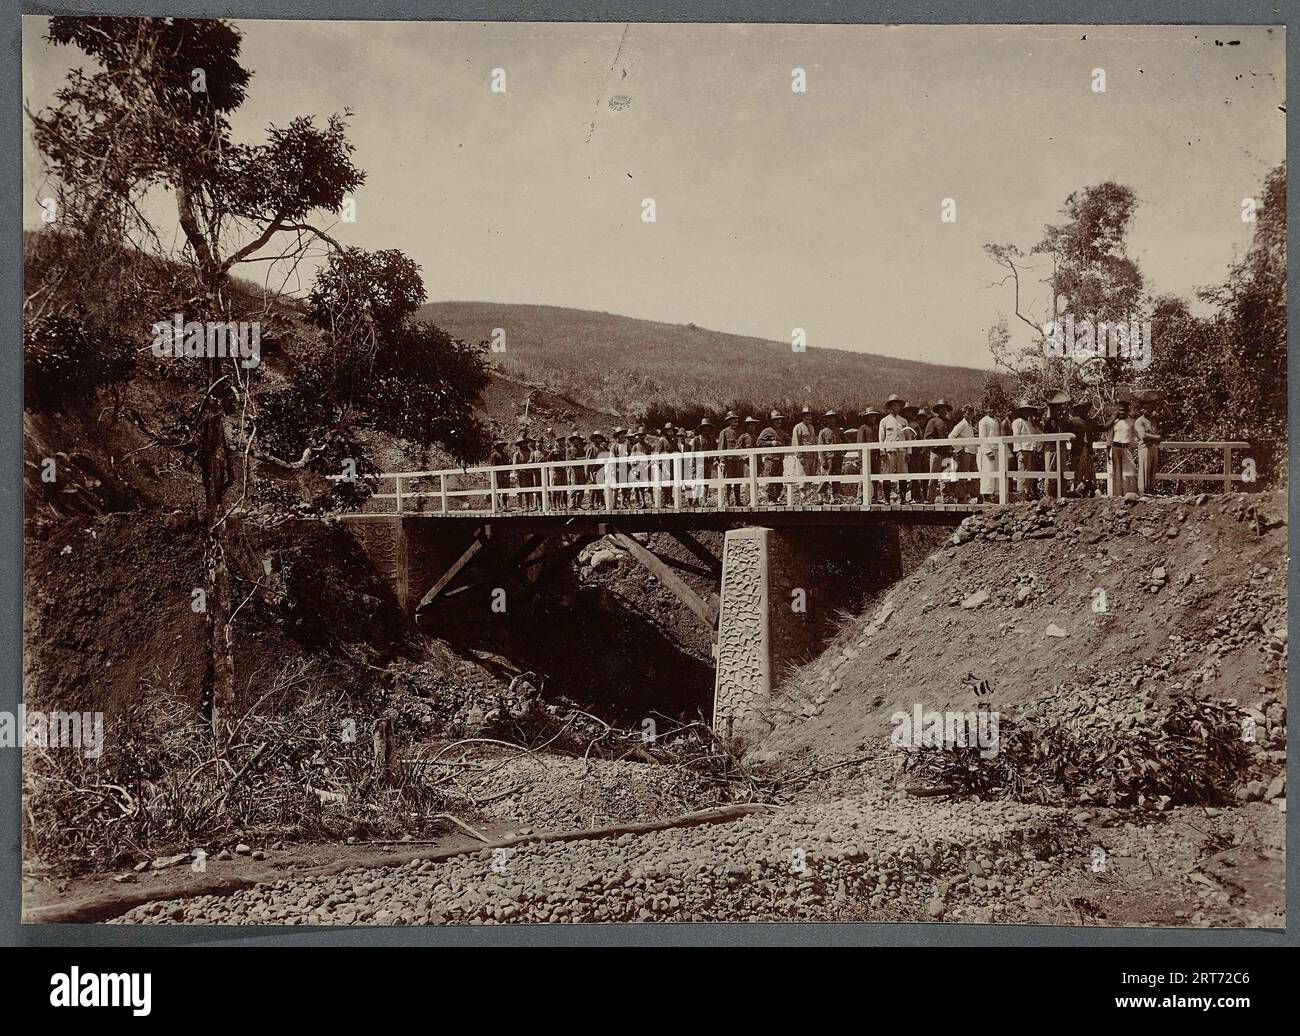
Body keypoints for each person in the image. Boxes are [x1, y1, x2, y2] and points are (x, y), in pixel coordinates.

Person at [877, 395, 910, 504]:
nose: (895, 407)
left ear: (900, 408)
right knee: (887, 475)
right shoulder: (884, 421)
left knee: (903, 474)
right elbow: (881, 438)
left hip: (901, 451)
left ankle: (903, 499)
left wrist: (908, 452)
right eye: (893, 405)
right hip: (889, 452)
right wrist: (882, 451)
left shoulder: (904, 421)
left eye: (897, 405)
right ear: (889, 407)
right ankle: (887, 499)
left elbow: (908, 437)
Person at [1105, 397, 1139, 496]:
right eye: (1120, 410)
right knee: (1117, 473)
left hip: (1127, 448)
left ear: (1128, 411)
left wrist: (1134, 444)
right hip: (1116, 448)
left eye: (1124, 410)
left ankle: (1130, 493)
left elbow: (1137, 436)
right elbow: (1109, 439)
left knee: (1130, 471)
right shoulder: (1114, 423)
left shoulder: (1132, 422)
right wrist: (1108, 453)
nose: (1122, 413)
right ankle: (1118, 495)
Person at [1042, 391, 1072, 498]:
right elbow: (1046, 423)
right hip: (1051, 448)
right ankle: (1048, 494)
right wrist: (1049, 408)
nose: (1058, 411)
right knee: (1049, 472)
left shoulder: (1062, 421)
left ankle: (1062, 493)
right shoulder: (1048, 421)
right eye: (1056, 409)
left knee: (1062, 471)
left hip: (1061, 448)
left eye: (1059, 408)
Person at [1134, 393, 1164, 495]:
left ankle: (1151, 491)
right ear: (1141, 410)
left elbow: (1167, 416)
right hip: (1144, 448)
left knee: (1152, 470)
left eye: (1149, 408)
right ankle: (1142, 492)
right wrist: (1157, 437)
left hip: (1153, 447)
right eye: (1145, 408)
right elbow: (1143, 436)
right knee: (1144, 470)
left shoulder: (1153, 420)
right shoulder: (1139, 421)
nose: (1148, 410)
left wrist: (1162, 404)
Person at [924, 400, 954, 503]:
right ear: (937, 410)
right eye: (941, 408)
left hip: (947, 452)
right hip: (936, 453)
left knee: (947, 476)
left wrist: (952, 448)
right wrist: (936, 444)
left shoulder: (949, 422)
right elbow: (927, 437)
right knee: (934, 475)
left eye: (945, 408)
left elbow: (952, 436)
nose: (943, 410)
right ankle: (930, 497)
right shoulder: (933, 421)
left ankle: (945, 497)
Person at [1011, 400, 1041, 499]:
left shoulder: (1030, 423)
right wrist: (1019, 451)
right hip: (1023, 449)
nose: (1027, 413)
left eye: (1028, 410)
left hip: (1031, 450)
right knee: (1023, 472)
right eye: (1025, 410)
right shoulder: (1017, 422)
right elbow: (1016, 437)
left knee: (1030, 472)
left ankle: (1027, 492)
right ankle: (1021, 494)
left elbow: (1035, 435)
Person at [758, 410, 790, 503]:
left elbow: (788, 441)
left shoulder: (782, 432)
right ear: (771, 421)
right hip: (770, 459)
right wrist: (771, 443)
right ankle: (770, 499)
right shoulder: (767, 431)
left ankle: (776, 498)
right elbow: (759, 442)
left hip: (780, 459)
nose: (778, 422)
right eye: (776, 420)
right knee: (770, 479)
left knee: (779, 479)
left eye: (780, 420)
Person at [1067, 401, 1098, 497]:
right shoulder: (1072, 421)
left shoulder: (1090, 421)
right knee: (1077, 473)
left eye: (1085, 408)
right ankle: (1077, 493)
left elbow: (1100, 428)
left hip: (1088, 450)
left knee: (1090, 473)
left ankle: (1090, 492)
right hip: (1078, 451)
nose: (1083, 410)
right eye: (1081, 408)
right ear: (1077, 410)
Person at [948, 404, 978, 502]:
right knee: (963, 475)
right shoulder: (962, 424)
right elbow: (951, 436)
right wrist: (960, 449)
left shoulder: (969, 424)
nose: (969, 415)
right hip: (965, 452)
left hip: (972, 452)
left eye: (971, 413)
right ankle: (960, 497)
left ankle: (975, 496)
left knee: (975, 474)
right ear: (964, 414)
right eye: (967, 413)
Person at [792, 406, 818, 503]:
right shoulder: (798, 427)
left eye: (810, 416)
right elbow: (796, 442)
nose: (809, 418)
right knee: (803, 476)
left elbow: (814, 442)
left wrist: (816, 456)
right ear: (802, 416)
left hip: (812, 456)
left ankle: (809, 497)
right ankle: (802, 497)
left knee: (811, 476)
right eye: (807, 416)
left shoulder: (812, 427)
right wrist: (800, 456)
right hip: (804, 456)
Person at [718, 412, 745, 506]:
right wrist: (722, 460)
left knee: (738, 481)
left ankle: (738, 500)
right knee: (728, 481)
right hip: (729, 461)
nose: (736, 420)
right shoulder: (724, 432)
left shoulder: (741, 432)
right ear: (729, 421)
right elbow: (721, 447)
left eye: (736, 419)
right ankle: (727, 500)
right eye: (733, 419)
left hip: (739, 460)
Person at [817, 410, 844, 503]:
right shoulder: (823, 432)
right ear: (827, 420)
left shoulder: (839, 431)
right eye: (830, 418)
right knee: (825, 477)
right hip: (828, 459)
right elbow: (820, 447)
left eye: (833, 418)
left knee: (836, 478)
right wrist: (823, 460)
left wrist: (843, 451)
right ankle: (821, 496)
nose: (832, 420)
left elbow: (847, 441)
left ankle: (834, 497)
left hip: (838, 459)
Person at [976, 406, 1001, 502]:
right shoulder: (983, 421)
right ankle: (986, 495)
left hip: (997, 448)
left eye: (993, 408)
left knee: (996, 472)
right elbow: (982, 437)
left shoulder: (997, 420)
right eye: (989, 408)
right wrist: (988, 451)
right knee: (987, 472)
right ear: (986, 409)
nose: (991, 410)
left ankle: (994, 494)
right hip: (988, 450)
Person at [489, 438, 510, 511]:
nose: (501, 447)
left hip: (505, 475)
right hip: (498, 475)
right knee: (498, 490)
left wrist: (507, 473)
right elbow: (492, 466)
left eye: (502, 445)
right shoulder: (495, 455)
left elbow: (508, 464)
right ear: (497, 447)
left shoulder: (505, 454)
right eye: (499, 445)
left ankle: (505, 506)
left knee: (505, 491)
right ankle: (500, 506)